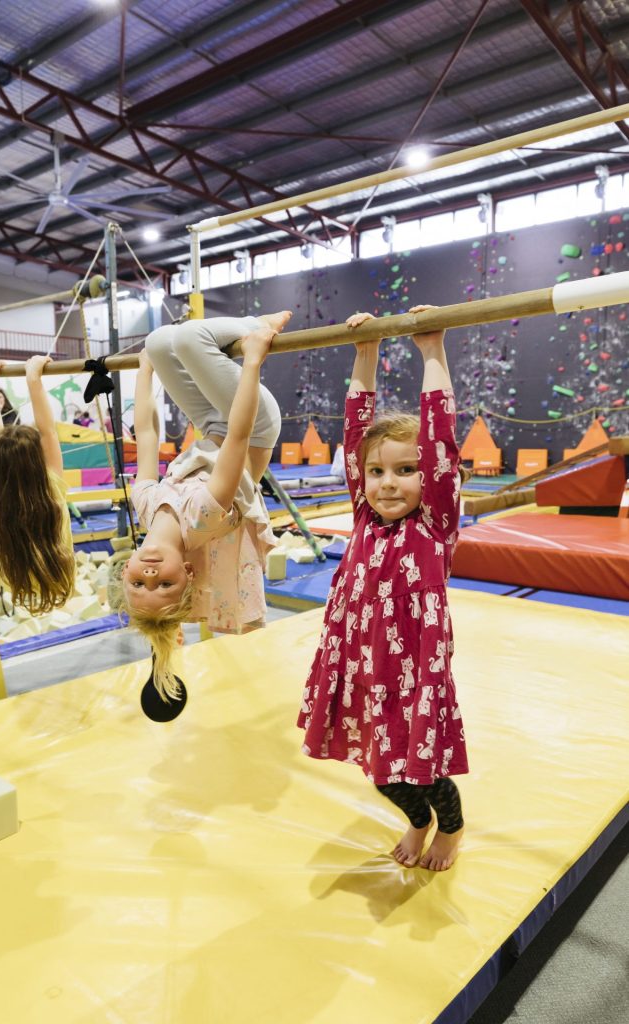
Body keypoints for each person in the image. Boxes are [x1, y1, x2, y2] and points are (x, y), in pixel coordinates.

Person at [297, 307, 469, 872]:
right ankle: (417, 819)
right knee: (377, 765)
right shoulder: (364, 516)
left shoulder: (434, 522)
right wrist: (364, 353)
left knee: (420, 762)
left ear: (429, 478)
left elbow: (441, 442)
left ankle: (451, 827)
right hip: (360, 662)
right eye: (377, 472)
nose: (387, 482)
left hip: (414, 668)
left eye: (404, 471)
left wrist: (432, 352)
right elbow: (353, 436)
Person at [120, 312, 291, 699]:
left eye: (138, 582)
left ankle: (166, 349)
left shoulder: (146, 507)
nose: (149, 572)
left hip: (210, 419)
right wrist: (252, 358)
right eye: (163, 583)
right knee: (189, 339)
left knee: (161, 341)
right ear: (186, 573)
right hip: (253, 423)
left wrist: (144, 371)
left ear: (125, 572)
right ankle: (254, 321)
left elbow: (146, 434)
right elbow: (240, 434)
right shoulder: (203, 519)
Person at [0, 355, 75, 614]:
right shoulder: (51, 486)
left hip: (17, 579)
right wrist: (33, 378)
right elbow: (49, 432)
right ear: (36, 459)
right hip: (55, 573)